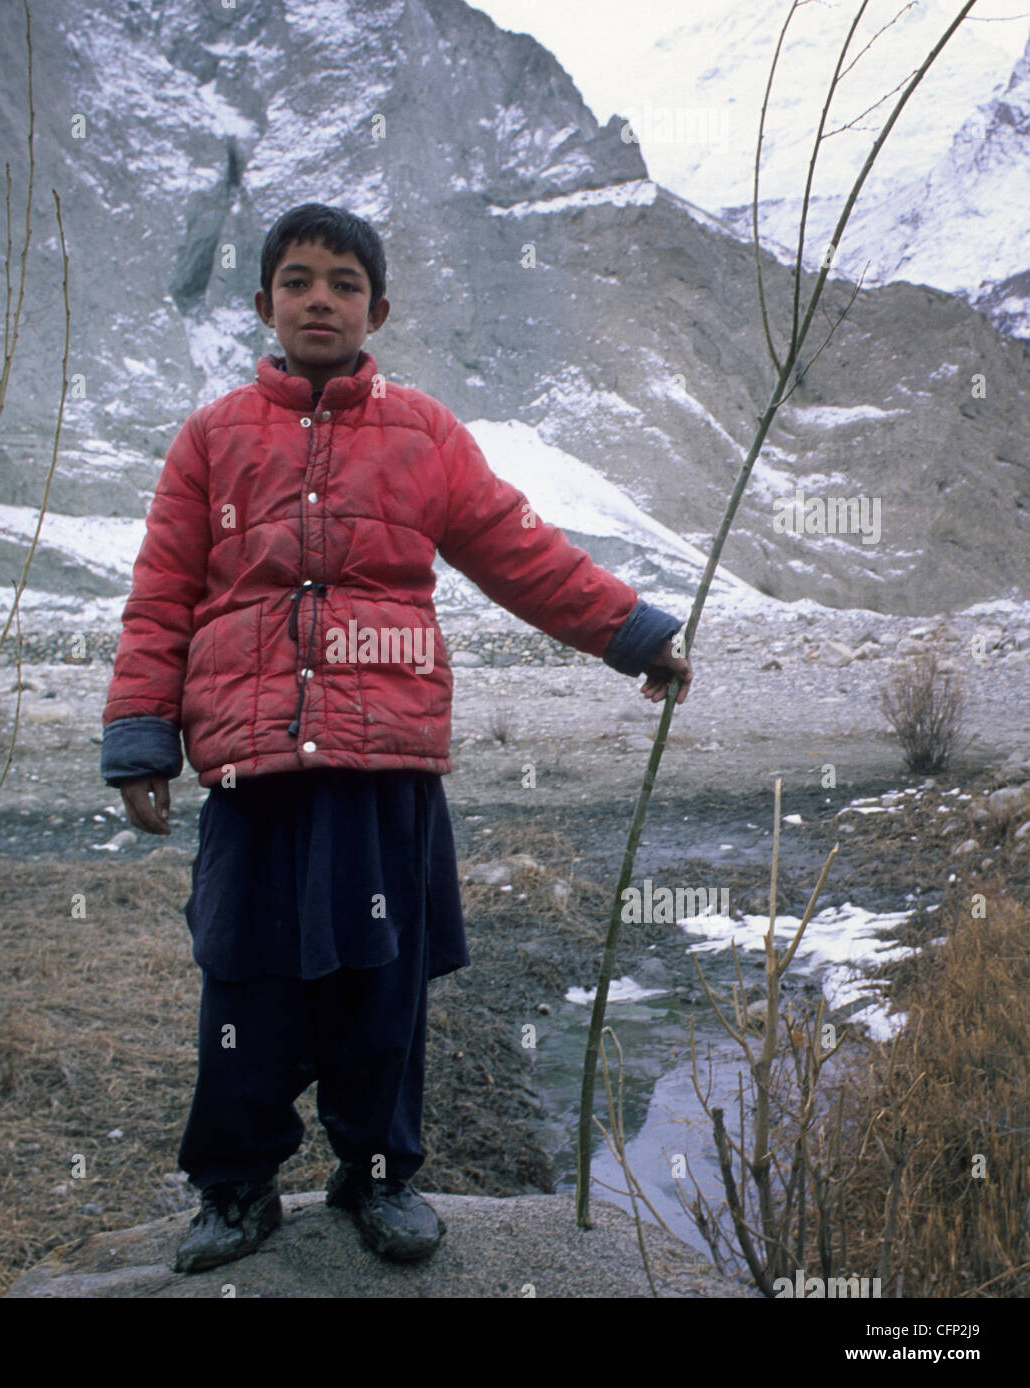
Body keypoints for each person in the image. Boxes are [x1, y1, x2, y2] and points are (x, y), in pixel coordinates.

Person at [99, 202, 693, 1275]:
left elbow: (520, 551)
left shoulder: (422, 434)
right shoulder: (211, 437)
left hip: (383, 766)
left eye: (340, 280)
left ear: (378, 307)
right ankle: (234, 1189)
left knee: (381, 984)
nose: (317, 297)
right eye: (295, 279)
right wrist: (141, 734)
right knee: (244, 985)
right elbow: (161, 597)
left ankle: (376, 1176)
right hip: (252, 765)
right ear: (264, 303)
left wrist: (633, 632)